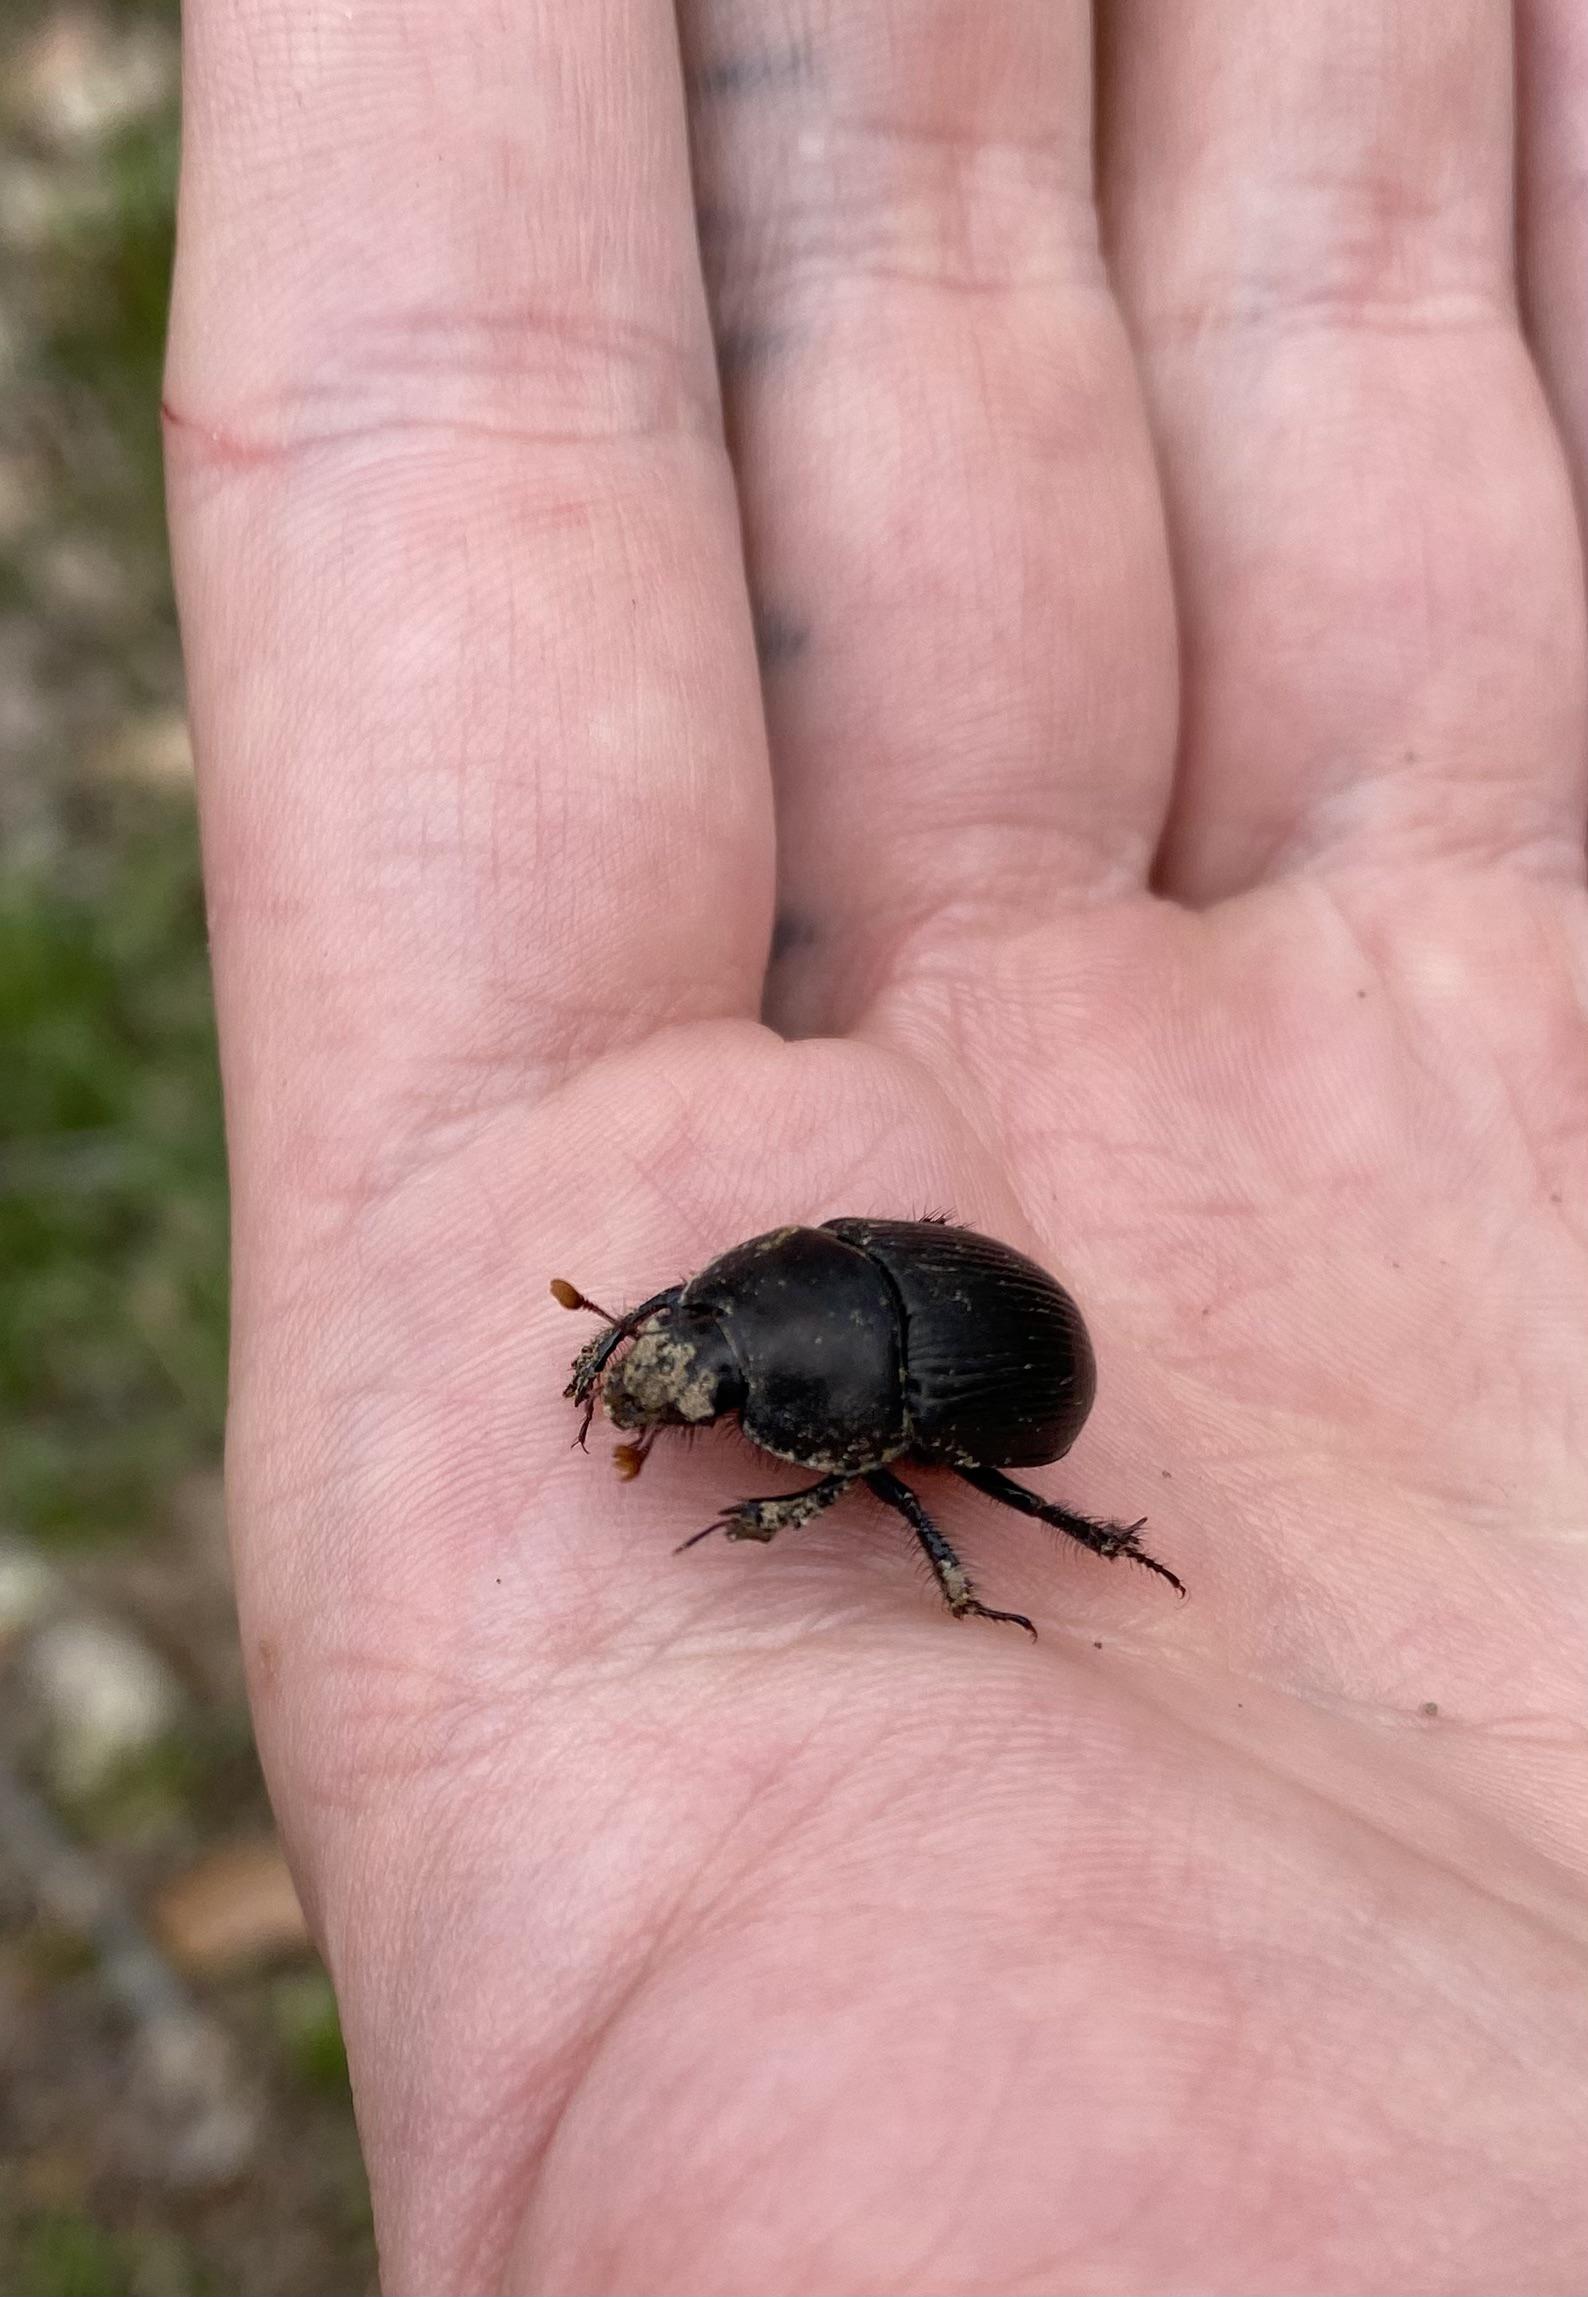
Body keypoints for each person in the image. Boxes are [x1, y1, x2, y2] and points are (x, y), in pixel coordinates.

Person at [163, 4, 1588, 2289]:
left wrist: (840, 1491)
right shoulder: (791, 1298)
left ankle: (1028, 1565)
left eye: (695, 1364)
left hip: (1016, 1384)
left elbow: (869, 1431)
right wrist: (677, 1355)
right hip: (944, 1337)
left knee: (966, 1511)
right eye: (686, 1353)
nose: (687, 1371)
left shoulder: (887, 1411)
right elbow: (768, 1328)